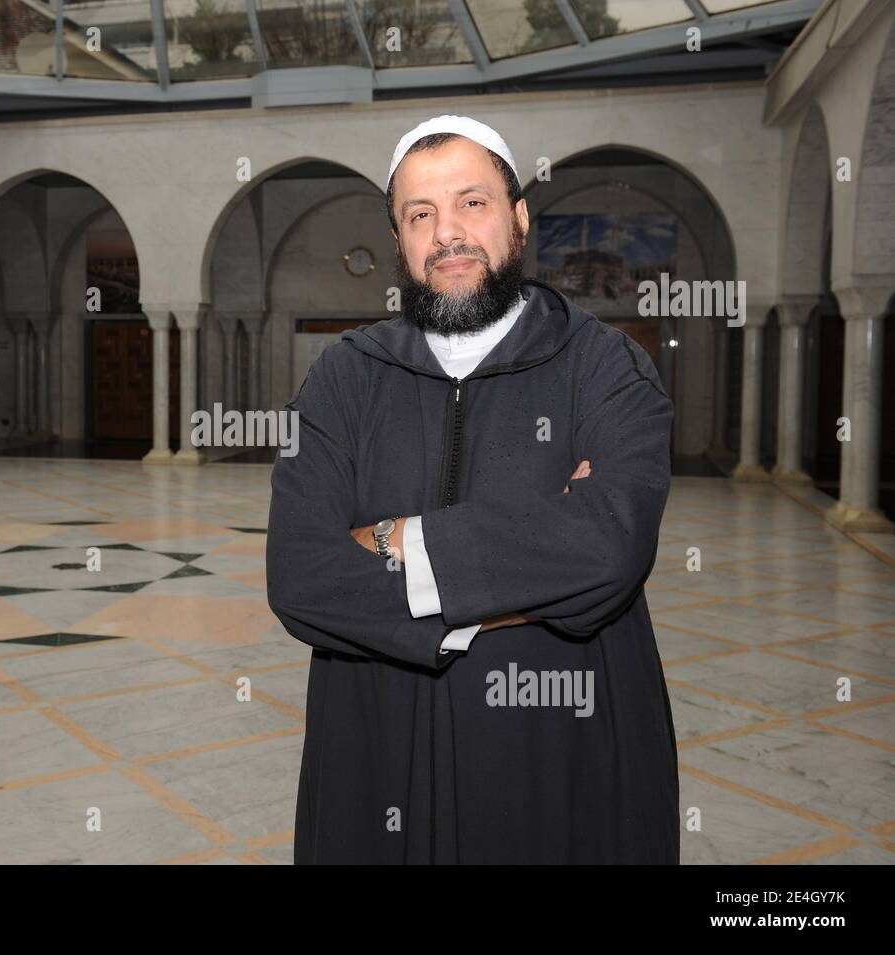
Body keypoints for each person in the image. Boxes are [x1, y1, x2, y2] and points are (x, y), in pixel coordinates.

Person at [266, 115, 680, 864]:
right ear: (399, 241)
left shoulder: (606, 368)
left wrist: (391, 540)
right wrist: (531, 552)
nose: (446, 233)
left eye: (472, 203)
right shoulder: (343, 379)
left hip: (561, 755)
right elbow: (299, 576)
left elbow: (609, 547)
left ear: (519, 219)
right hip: (377, 754)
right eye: (419, 215)